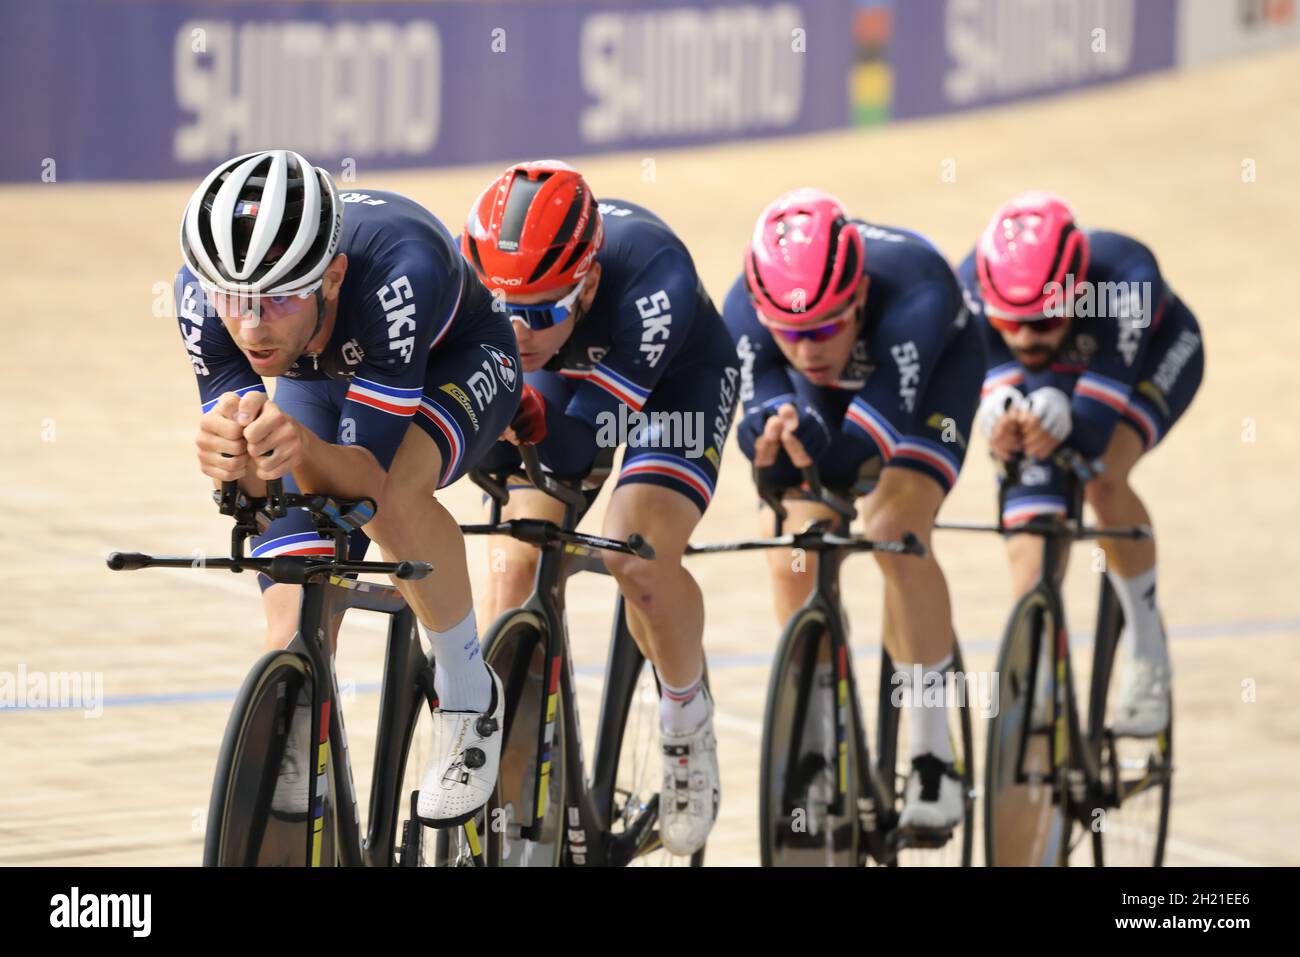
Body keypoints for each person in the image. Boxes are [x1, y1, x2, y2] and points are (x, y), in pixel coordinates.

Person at [175, 149, 521, 825]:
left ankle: (468, 689)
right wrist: (230, 458)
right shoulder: (203, 292)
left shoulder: (400, 273)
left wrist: (299, 450)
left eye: (275, 297)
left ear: (331, 275)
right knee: (291, 620)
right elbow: (253, 476)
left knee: (390, 502)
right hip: (318, 376)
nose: (250, 324)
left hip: (457, 359)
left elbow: (363, 481)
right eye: (235, 299)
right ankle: (305, 725)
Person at [461, 160, 739, 855]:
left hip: (676, 389)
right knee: (514, 563)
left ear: (586, 283)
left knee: (635, 550)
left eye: (541, 312)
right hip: (562, 382)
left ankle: (685, 718)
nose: (518, 332)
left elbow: (581, 439)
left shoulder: (654, 280)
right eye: (504, 311)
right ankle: (511, 799)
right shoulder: (483, 285)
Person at [722, 188, 983, 831]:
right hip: (828, 401)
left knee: (895, 525)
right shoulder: (745, 312)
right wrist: (774, 441)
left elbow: (863, 452)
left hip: (930, 385)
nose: (809, 347)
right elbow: (769, 466)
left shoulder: (918, 290)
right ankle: (815, 736)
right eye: (792, 334)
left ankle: (931, 754)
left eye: (827, 326)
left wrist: (812, 456)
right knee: (795, 547)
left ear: (859, 296)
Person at [957, 191, 1204, 736]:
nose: (1024, 337)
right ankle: (1037, 635)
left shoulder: (1126, 277)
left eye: (1042, 322)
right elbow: (993, 374)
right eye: (1009, 323)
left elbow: (1089, 432)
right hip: (1060, 372)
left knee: (1100, 476)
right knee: (1028, 482)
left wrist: (1057, 413)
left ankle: (1146, 652)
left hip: (1150, 358)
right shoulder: (972, 282)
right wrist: (998, 413)